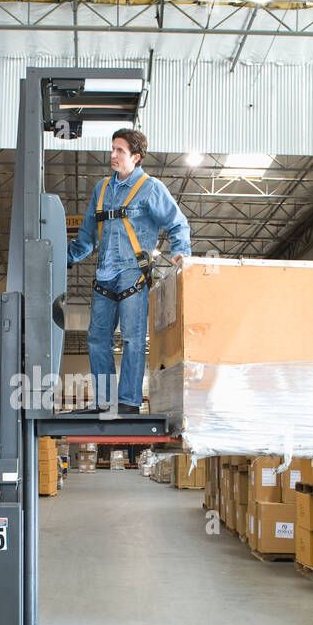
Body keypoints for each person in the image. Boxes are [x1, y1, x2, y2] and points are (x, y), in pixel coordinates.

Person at [67, 128, 191, 415]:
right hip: (104, 276)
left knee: (134, 339)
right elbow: (87, 236)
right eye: (112, 149)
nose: (113, 155)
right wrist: (65, 258)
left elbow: (177, 223)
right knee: (97, 339)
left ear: (135, 157)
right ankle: (105, 401)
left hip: (133, 275)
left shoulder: (150, 188)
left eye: (120, 150)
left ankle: (129, 402)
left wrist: (180, 250)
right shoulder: (102, 189)